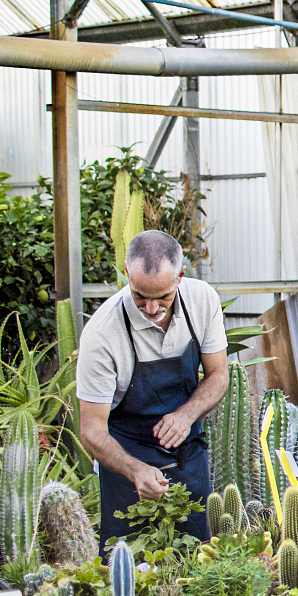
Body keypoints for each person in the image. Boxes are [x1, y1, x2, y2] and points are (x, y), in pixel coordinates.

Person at [76, 230, 228, 546]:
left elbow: (218, 375)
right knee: (130, 564)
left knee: (198, 558)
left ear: (180, 276)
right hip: (126, 464)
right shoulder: (102, 334)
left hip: (186, 455)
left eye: (162, 297)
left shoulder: (202, 301)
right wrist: (135, 470)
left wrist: (186, 415)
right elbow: (91, 429)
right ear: (127, 273)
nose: (150, 307)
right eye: (140, 296)